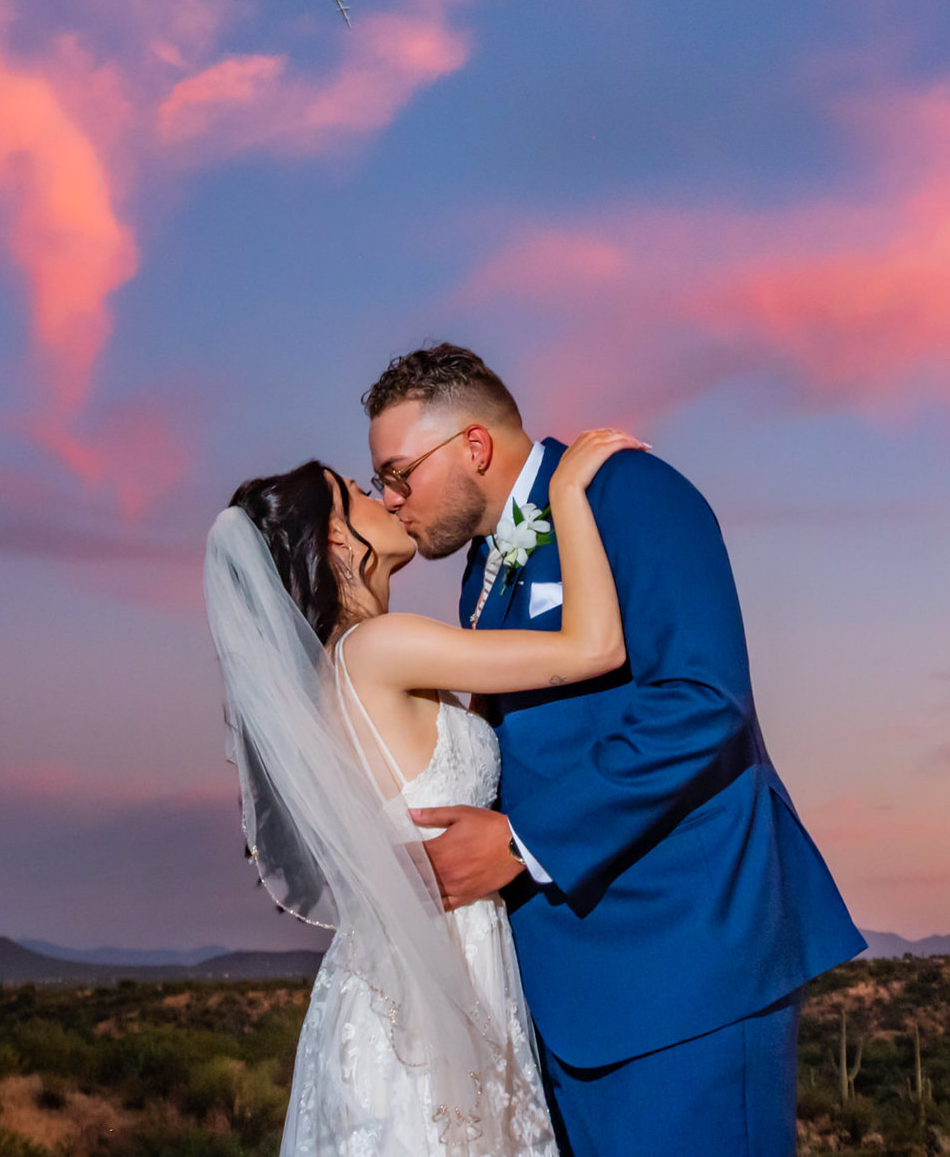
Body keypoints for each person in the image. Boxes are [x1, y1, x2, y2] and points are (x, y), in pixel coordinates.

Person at [364, 344, 863, 1157]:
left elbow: (703, 701)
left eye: (399, 472)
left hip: (683, 970)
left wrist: (523, 845)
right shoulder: (483, 569)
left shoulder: (629, 493)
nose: (391, 499)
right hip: (565, 995)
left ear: (474, 448)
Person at [204, 428, 646, 1157]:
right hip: (425, 1000)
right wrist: (565, 494)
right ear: (338, 543)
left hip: (414, 980)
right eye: (357, 492)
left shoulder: (341, 677)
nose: (386, 497)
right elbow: (596, 647)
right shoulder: (379, 649)